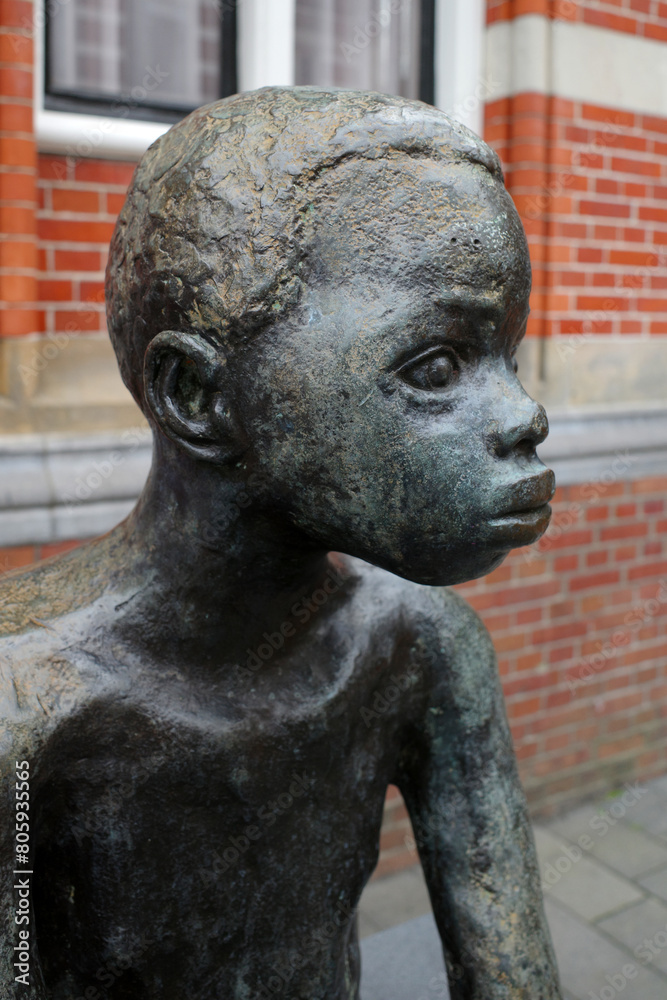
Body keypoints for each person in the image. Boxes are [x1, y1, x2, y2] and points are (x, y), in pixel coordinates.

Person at [0, 87, 560, 999]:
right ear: (197, 396)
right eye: (435, 367)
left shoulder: (425, 650)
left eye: (506, 351)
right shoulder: (24, 708)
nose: (523, 414)